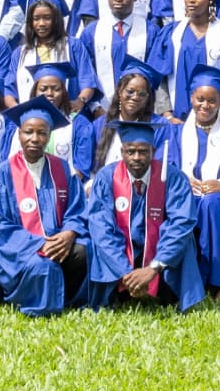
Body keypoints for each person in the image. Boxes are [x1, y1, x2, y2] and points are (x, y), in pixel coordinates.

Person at [0, 99, 84, 314]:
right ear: (19, 134)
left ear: (49, 136)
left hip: (59, 242)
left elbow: (76, 209)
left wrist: (69, 233)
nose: (35, 138)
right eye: (29, 132)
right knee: (42, 265)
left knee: (84, 252)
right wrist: (40, 244)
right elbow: (0, 225)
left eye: (42, 133)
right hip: (20, 249)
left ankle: (71, 300)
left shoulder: (62, 168)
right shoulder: (3, 173)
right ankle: (36, 302)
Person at [83, 120, 202, 310]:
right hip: (120, 260)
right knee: (97, 243)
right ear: (122, 152)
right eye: (131, 151)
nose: (137, 157)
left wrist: (153, 268)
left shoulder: (173, 178)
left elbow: (181, 223)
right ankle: (121, 291)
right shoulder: (106, 178)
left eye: (143, 151)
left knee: (185, 240)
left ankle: (172, 295)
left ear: (153, 151)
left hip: (160, 258)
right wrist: (126, 273)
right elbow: (101, 230)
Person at [168, 66, 220, 298]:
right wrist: (184, 180)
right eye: (200, 99)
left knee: (212, 203)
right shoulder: (178, 131)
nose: (205, 105)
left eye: (212, 100)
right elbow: (169, 166)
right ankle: (190, 282)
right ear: (191, 98)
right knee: (188, 205)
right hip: (188, 192)